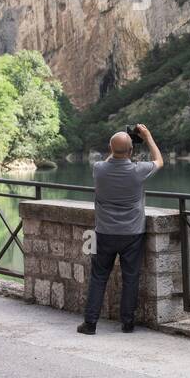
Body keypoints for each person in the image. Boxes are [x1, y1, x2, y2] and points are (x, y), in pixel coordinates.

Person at [77, 124, 163, 335]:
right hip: (132, 233)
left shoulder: (99, 168)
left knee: (98, 277)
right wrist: (148, 136)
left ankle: (90, 323)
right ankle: (127, 323)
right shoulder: (138, 170)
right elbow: (160, 161)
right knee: (131, 277)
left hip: (104, 232)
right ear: (132, 151)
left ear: (110, 148)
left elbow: (108, 160)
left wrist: (115, 149)